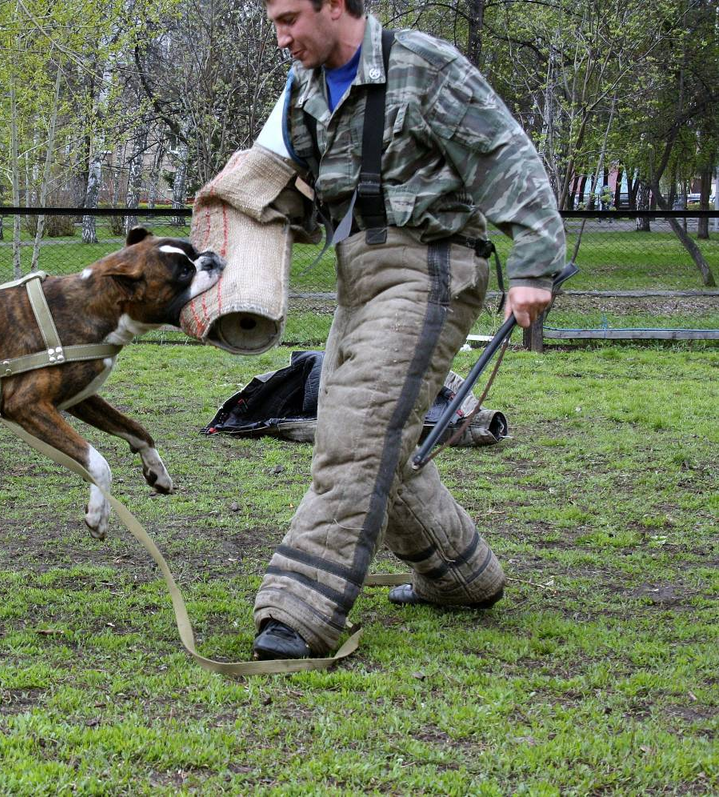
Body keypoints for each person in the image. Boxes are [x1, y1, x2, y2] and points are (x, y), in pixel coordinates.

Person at [240, 0, 566, 659]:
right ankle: (461, 574)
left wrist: (534, 265)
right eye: (274, 21)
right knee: (366, 431)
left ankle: (298, 611)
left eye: (291, 18)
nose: (281, 37)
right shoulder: (302, 90)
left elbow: (506, 156)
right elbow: (311, 194)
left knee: (357, 436)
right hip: (358, 275)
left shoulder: (423, 67)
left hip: (430, 269)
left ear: (336, 5)